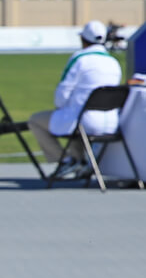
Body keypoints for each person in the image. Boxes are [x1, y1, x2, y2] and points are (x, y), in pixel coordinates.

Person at [27, 20, 122, 171]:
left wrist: (61, 107)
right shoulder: (114, 63)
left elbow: (62, 93)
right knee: (72, 115)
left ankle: (66, 161)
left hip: (83, 121)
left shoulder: (80, 59)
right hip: (111, 123)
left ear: (83, 40)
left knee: (37, 120)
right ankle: (80, 161)